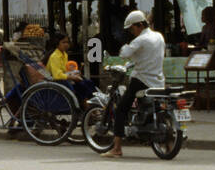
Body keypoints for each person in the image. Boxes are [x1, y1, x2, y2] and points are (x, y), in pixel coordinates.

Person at [104, 11, 166, 159]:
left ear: (139, 25)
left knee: (121, 109)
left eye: (132, 29)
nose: (132, 32)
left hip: (142, 80)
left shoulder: (141, 40)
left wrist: (126, 42)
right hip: (158, 80)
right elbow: (146, 57)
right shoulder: (158, 36)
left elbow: (123, 54)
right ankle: (166, 143)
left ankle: (117, 148)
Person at [45, 33, 96, 102]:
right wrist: (72, 77)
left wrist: (74, 73)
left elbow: (66, 69)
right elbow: (57, 75)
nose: (66, 44)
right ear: (57, 44)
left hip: (65, 78)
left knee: (89, 82)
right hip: (57, 81)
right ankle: (86, 105)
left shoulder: (64, 54)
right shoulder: (55, 56)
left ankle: (93, 102)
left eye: (67, 42)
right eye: (63, 42)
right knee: (82, 85)